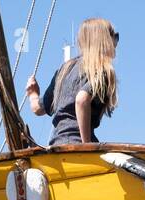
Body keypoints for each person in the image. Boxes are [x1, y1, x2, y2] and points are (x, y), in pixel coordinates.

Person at [26, 18, 119, 146]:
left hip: (57, 145)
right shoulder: (103, 71)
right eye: (115, 36)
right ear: (105, 41)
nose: (116, 42)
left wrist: (32, 94)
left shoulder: (64, 70)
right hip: (78, 146)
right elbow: (82, 99)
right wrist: (86, 146)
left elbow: (37, 108)